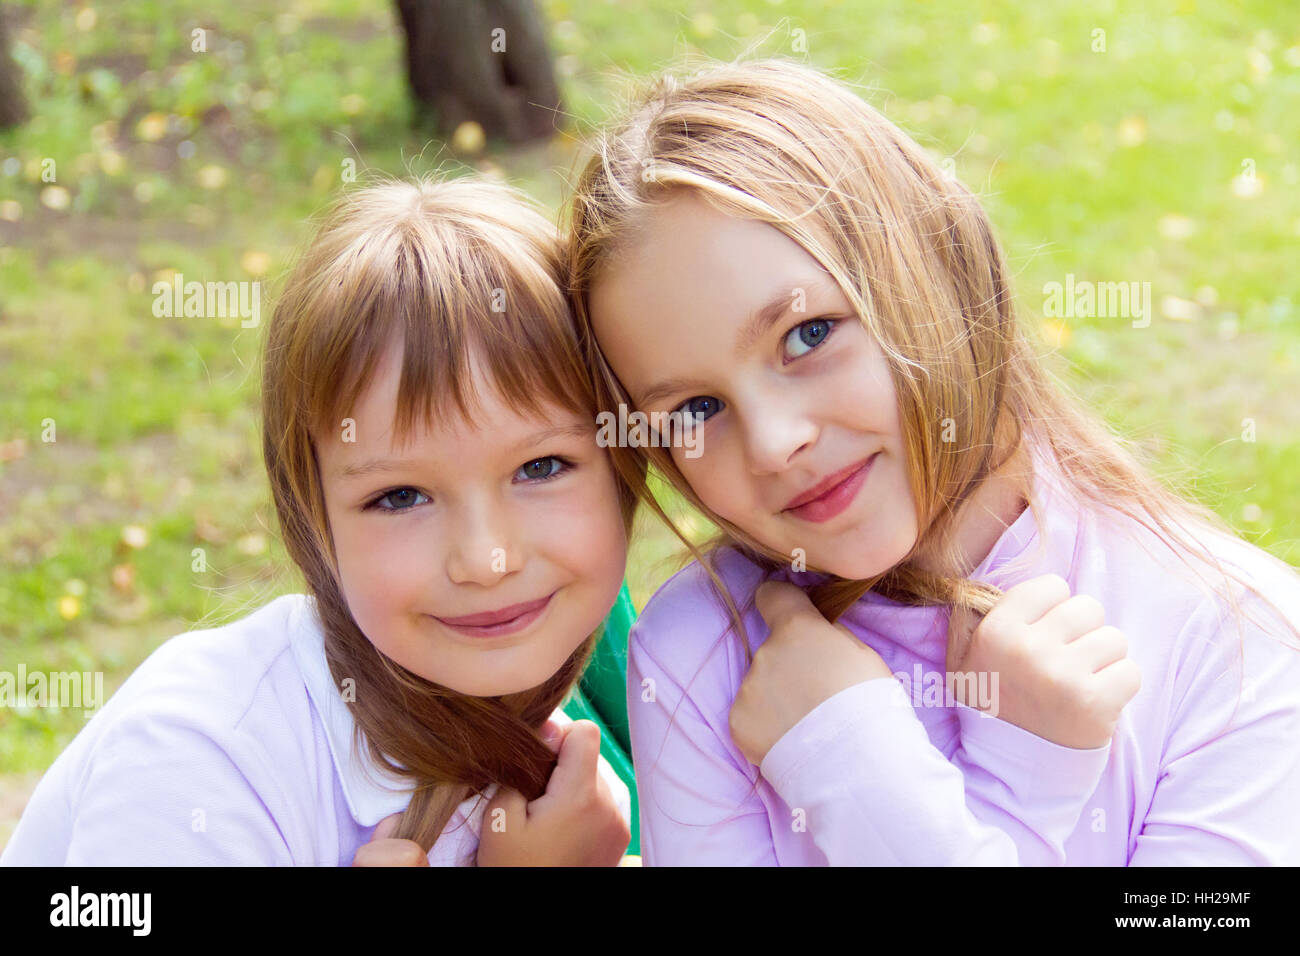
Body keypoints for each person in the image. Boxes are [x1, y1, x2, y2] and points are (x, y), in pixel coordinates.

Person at [565, 58, 1300, 865]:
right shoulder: (698, 651)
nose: (776, 443)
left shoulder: (1237, 636)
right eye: (696, 411)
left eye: (808, 335)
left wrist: (855, 768)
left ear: (938, 264)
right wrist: (1003, 781)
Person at [2, 176, 635, 866]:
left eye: (540, 468)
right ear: (312, 519)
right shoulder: (200, 758)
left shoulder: (640, 685)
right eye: (400, 497)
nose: (486, 559)